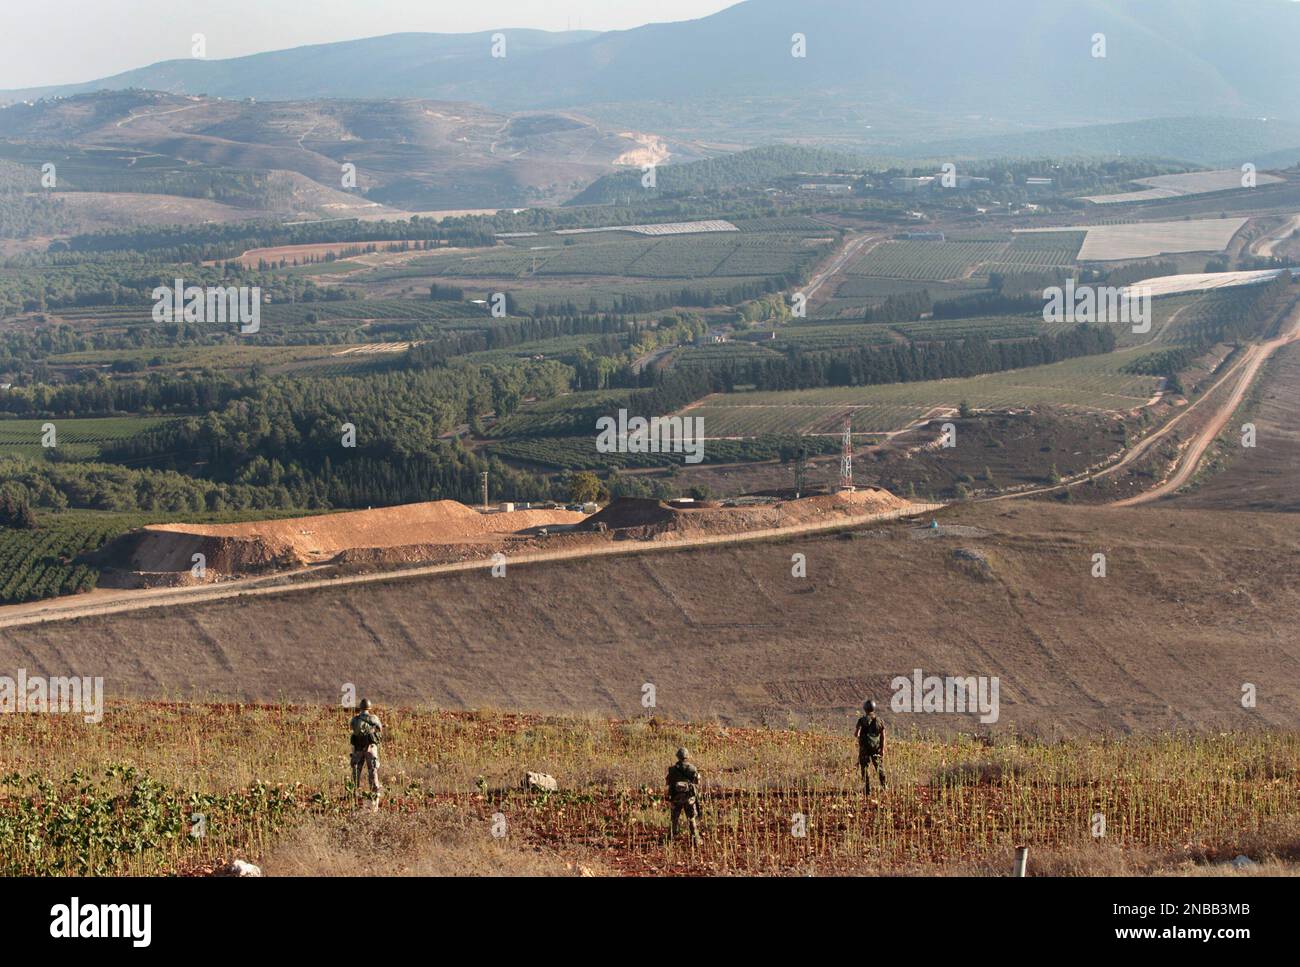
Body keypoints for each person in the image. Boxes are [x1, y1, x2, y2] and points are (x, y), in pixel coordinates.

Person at [349, 698, 383, 810]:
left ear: (360, 708)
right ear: (369, 708)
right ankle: (374, 803)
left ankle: (355, 799)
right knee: (372, 771)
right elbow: (380, 729)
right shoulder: (373, 718)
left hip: (358, 749)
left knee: (356, 771)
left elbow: (353, 730)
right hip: (370, 748)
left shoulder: (354, 720)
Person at [665, 747, 702, 845]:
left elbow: (668, 782)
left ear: (678, 757)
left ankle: (671, 839)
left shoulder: (672, 769)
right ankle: (696, 839)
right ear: (687, 756)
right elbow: (697, 782)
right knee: (691, 818)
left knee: (674, 819)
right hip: (689, 797)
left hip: (676, 797)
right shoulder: (692, 768)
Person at [855, 699, 886, 794]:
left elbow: (857, 734)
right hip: (876, 748)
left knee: (865, 767)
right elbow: (883, 736)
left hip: (865, 748)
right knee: (879, 767)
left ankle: (867, 789)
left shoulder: (861, 720)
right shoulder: (880, 720)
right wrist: (882, 749)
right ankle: (884, 787)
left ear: (865, 709)